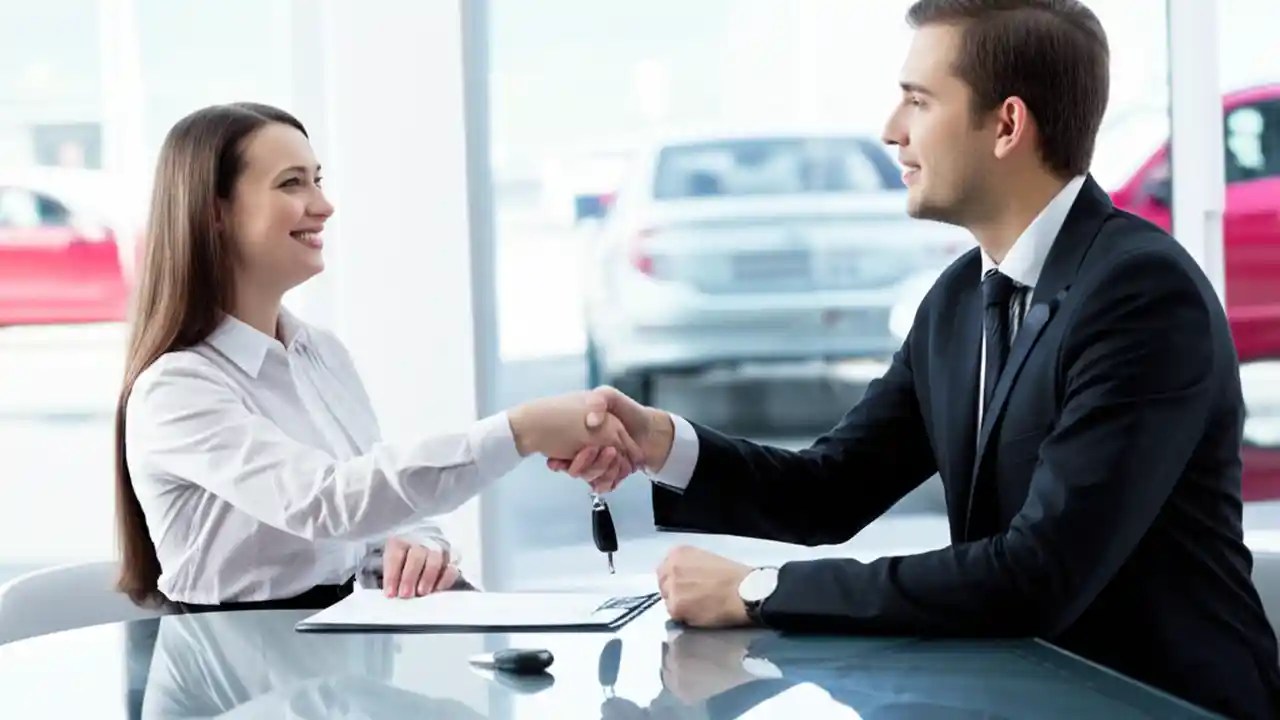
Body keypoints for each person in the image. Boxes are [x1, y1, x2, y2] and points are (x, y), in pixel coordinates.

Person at [553, 1, 1280, 717]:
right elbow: (830, 489)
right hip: (1022, 695)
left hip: (1161, 703)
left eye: (918, 101)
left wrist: (757, 590)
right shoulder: (963, 297)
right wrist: (660, 443)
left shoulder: (1141, 294)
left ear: (1006, 125)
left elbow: (1036, 573)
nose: (891, 131)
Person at [115, 102, 640, 612]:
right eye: (292, 183)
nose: (323, 205)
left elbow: (369, 505)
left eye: (317, 180)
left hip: (335, 662)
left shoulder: (320, 354)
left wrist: (415, 542)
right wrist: (521, 431)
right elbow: (326, 503)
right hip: (229, 683)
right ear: (215, 213)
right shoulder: (176, 388)